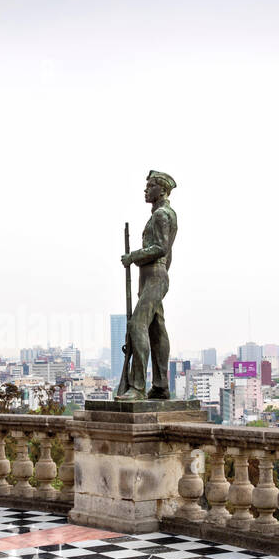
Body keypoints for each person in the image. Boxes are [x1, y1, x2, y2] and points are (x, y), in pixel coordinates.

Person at [116, 170, 178, 401]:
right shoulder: (161, 215)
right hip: (153, 276)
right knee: (156, 329)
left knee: (137, 324)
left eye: (150, 185)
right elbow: (168, 254)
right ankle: (161, 386)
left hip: (154, 275)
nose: (146, 189)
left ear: (161, 189)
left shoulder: (162, 215)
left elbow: (161, 248)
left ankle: (138, 386)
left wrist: (134, 256)